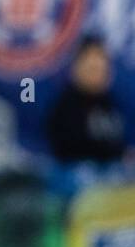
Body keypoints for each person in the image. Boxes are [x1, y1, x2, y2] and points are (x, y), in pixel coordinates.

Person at [45, 36, 130, 165]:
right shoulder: (65, 108)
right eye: (91, 67)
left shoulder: (112, 104)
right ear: (76, 67)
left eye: (101, 65)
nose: (97, 65)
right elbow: (69, 151)